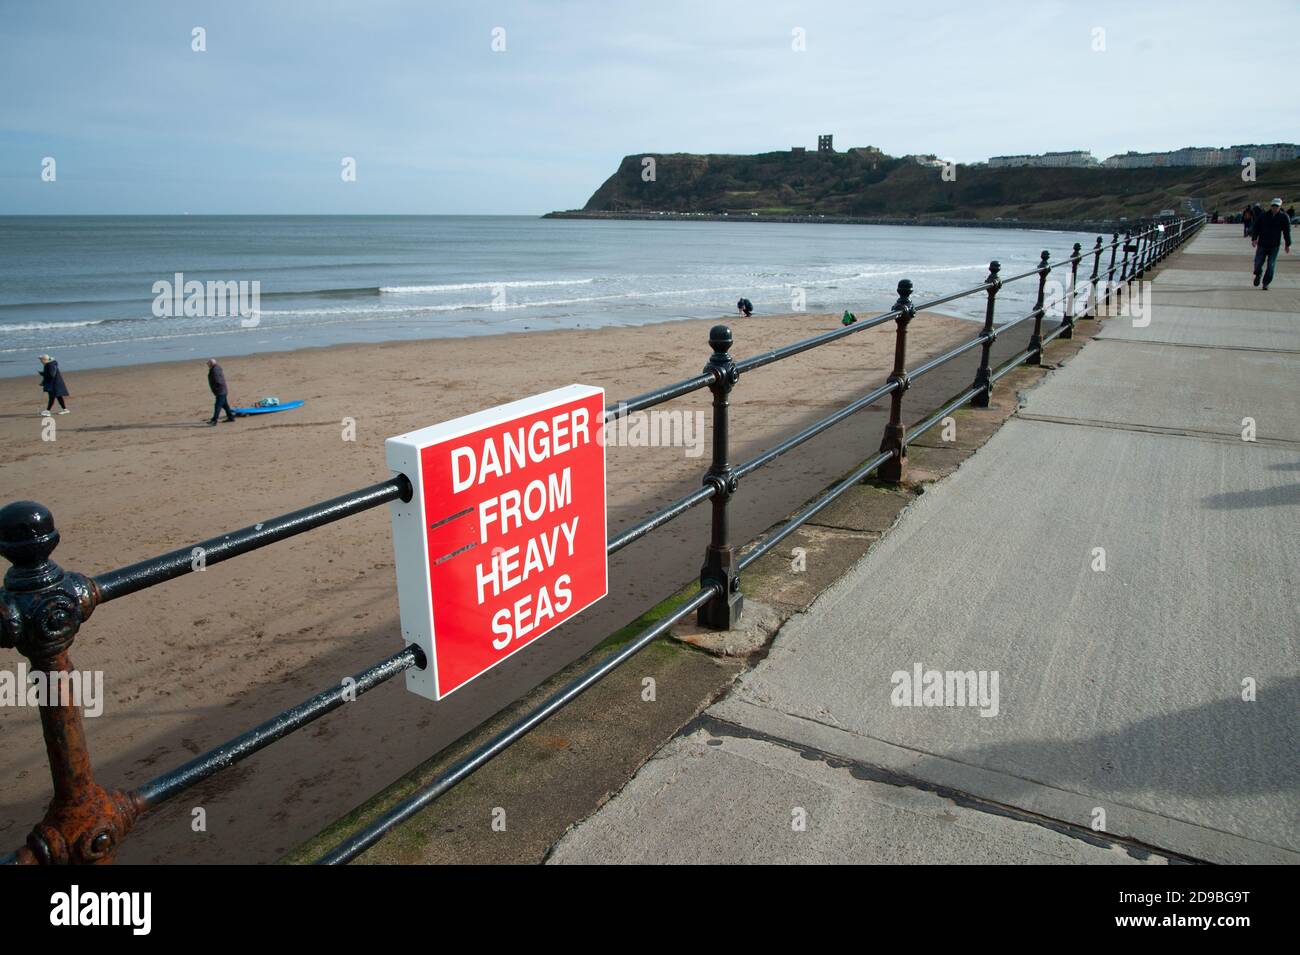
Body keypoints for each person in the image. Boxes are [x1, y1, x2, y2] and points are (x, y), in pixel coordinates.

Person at [1250, 198, 1292, 290]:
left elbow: (1286, 232)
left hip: (1274, 245)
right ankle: (1258, 274)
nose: (1274, 208)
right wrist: (1254, 239)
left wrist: (1287, 244)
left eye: (1276, 206)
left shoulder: (1284, 217)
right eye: (1273, 206)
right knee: (1258, 263)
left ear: (1280, 207)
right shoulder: (1263, 215)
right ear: (1270, 206)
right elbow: (1256, 227)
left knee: (1271, 265)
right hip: (1262, 244)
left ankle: (1266, 283)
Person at [206, 358, 238, 425]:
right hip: (222, 390)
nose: (207, 364)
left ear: (211, 364)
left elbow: (218, 381)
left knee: (217, 406)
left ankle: (214, 420)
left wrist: (216, 389)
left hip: (221, 391)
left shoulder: (215, 370)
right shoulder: (215, 368)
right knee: (225, 405)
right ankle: (231, 417)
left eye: (208, 363)